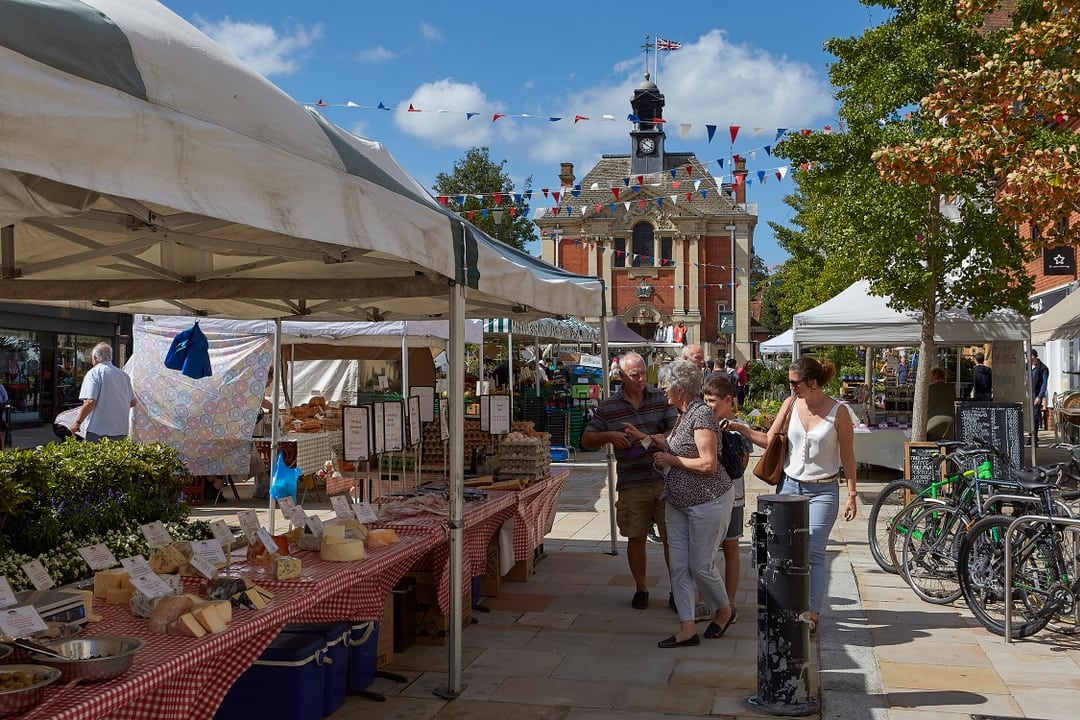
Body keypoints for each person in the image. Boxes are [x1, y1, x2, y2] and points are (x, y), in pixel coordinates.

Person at [730, 356, 857, 634]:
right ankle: (786, 603)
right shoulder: (790, 404)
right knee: (781, 549)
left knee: (813, 551)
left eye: (794, 382)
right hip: (789, 486)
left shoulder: (839, 412)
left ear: (812, 383)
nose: (791, 387)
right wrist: (741, 428)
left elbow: (848, 457)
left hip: (824, 489)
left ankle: (811, 613)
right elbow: (769, 440)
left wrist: (851, 493)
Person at [635, 359, 734, 647]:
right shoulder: (683, 413)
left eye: (666, 385)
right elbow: (681, 446)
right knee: (678, 566)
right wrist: (657, 443)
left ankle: (724, 610)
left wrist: (670, 459)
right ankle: (687, 627)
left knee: (700, 565)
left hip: (707, 500)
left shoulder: (701, 414)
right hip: (678, 501)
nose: (662, 390)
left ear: (680, 388)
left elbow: (708, 465)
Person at [581, 351, 678, 610]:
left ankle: (677, 590)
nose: (641, 379)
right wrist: (610, 435)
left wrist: (646, 438)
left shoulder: (660, 397)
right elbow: (586, 440)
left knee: (672, 538)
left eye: (643, 373)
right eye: (635, 375)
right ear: (622, 376)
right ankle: (641, 588)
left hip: (664, 479)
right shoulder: (609, 407)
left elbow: (676, 431)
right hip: (631, 481)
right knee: (635, 537)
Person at [703, 373, 752, 622]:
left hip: (733, 496)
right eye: (706, 399)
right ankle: (706, 601)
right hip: (705, 495)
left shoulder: (739, 427)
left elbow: (742, 465)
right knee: (705, 551)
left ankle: (729, 602)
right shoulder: (703, 424)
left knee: (730, 546)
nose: (709, 405)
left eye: (713, 400)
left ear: (728, 400)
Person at [72, 342, 135, 442]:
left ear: (95, 358)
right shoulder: (123, 375)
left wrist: (77, 422)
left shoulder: (94, 373)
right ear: (110, 357)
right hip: (121, 430)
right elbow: (133, 402)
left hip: (98, 431)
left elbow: (90, 401)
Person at [926, 367, 956, 441]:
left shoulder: (930, 389)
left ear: (932, 377)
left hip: (933, 423)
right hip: (951, 423)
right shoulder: (951, 388)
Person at [1031, 349, 1049, 441]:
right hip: (1028, 394)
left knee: (1035, 416)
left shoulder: (1042, 368)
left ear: (1034, 356)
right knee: (1028, 416)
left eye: (1030, 356)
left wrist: (1040, 396)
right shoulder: (1027, 367)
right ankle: (1031, 436)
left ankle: (1034, 437)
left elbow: (1044, 383)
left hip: (1036, 394)